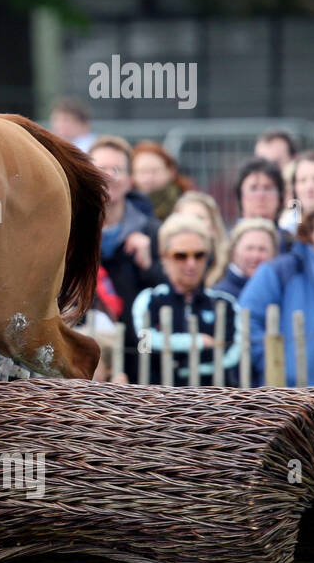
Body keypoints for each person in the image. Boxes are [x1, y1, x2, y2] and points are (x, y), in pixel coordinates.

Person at [240, 197, 314, 387]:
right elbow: (248, 320)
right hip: (290, 396)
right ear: (310, 233)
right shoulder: (280, 271)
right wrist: (273, 365)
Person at [131, 214, 242, 385]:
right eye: (181, 255)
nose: (191, 263)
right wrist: (199, 342)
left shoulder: (225, 303)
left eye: (199, 255)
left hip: (216, 404)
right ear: (164, 257)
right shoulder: (149, 299)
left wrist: (179, 365)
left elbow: (232, 354)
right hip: (159, 404)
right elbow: (145, 343)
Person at [90, 136, 166, 380]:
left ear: (130, 180)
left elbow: (168, 293)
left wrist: (147, 266)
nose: (110, 176)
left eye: (118, 169)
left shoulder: (152, 231)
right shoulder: (69, 232)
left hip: (141, 364)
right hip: (87, 366)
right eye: (101, 169)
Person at [172, 190, 229, 288]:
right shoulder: (164, 270)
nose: (192, 224)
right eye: (185, 218)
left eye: (199, 218)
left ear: (213, 227)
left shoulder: (229, 267)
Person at [216, 218, 280, 299]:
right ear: (234, 253)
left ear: (274, 254)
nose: (255, 256)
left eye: (262, 249)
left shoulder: (280, 294)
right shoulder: (220, 295)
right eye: (249, 248)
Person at [132, 141, 194, 220]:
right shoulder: (124, 205)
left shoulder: (185, 202)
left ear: (171, 171)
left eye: (155, 171)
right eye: (142, 171)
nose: (149, 177)